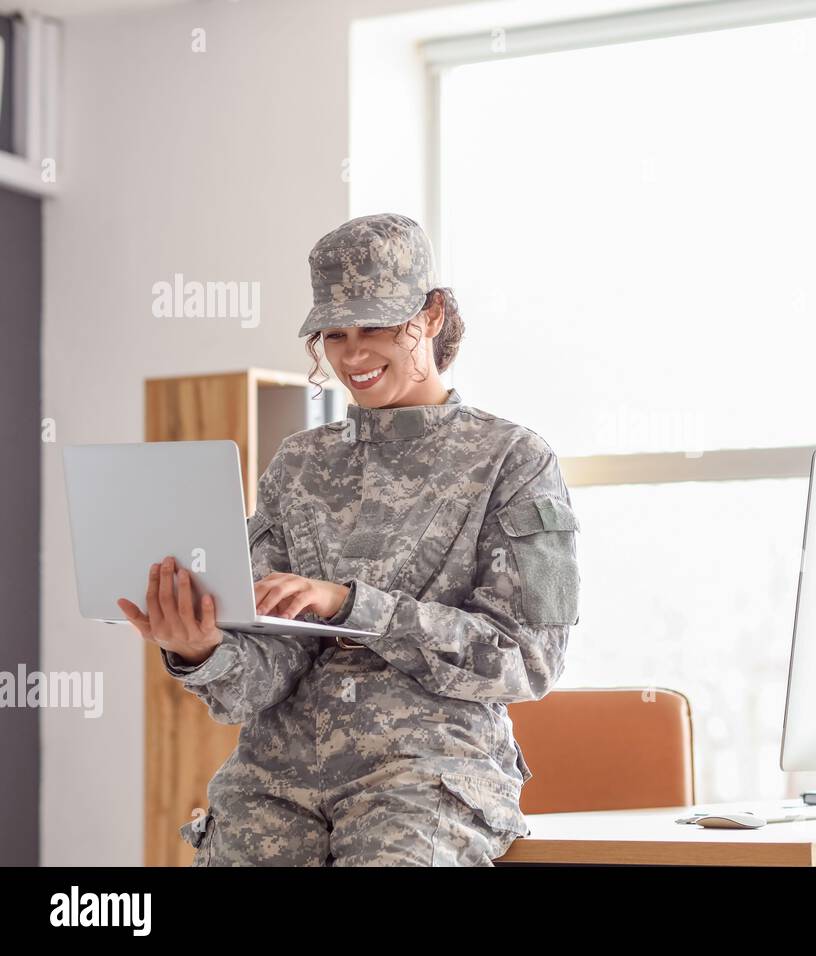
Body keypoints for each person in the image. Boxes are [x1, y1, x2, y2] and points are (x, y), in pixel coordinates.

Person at [117, 212, 580, 866]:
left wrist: (349, 604)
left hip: (425, 779)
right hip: (274, 784)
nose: (353, 355)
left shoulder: (515, 460)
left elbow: (529, 658)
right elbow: (262, 677)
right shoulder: (300, 464)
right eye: (334, 334)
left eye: (376, 328)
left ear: (434, 314)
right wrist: (204, 649)